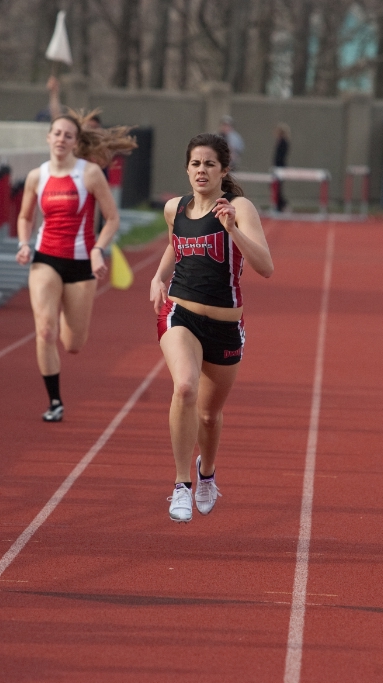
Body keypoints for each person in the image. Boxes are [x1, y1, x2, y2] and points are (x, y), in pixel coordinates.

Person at [150, 133, 274, 522]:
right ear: (187, 168)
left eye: (209, 164)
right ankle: (181, 484)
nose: (201, 171)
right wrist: (158, 277)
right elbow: (176, 242)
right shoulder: (175, 207)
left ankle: (207, 474)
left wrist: (233, 229)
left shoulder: (240, 207)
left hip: (225, 325)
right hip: (179, 313)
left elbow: (265, 267)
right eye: (195, 164)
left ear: (223, 170)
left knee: (208, 415)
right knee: (184, 386)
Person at [14, 111, 136, 422]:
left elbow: (112, 219)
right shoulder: (36, 176)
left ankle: (67, 333)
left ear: (76, 142)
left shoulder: (90, 174)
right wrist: (24, 244)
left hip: (82, 262)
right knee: (45, 330)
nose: (61, 139)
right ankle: (55, 401)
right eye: (57, 133)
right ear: (48, 137)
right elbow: (26, 217)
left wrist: (98, 249)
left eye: (68, 135)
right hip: (45, 258)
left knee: (73, 344)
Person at [272, 122, 290, 212]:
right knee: (275, 187)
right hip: (278, 166)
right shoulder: (280, 141)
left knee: (278, 187)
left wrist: (278, 167)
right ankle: (280, 205)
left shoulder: (284, 142)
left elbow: (281, 156)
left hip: (280, 167)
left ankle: (282, 205)